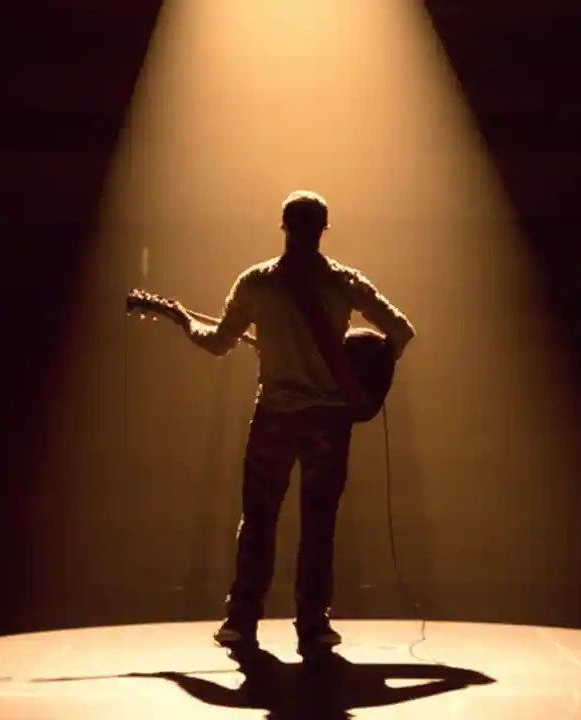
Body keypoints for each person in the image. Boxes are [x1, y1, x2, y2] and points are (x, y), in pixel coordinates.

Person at [170, 190, 415, 650]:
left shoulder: (256, 283)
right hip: (329, 422)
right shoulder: (344, 281)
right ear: (324, 229)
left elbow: (219, 342)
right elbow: (401, 332)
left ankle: (242, 621)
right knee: (320, 523)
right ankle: (313, 623)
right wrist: (366, 381)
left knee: (259, 519)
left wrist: (184, 321)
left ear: (283, 225)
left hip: (276, 419)